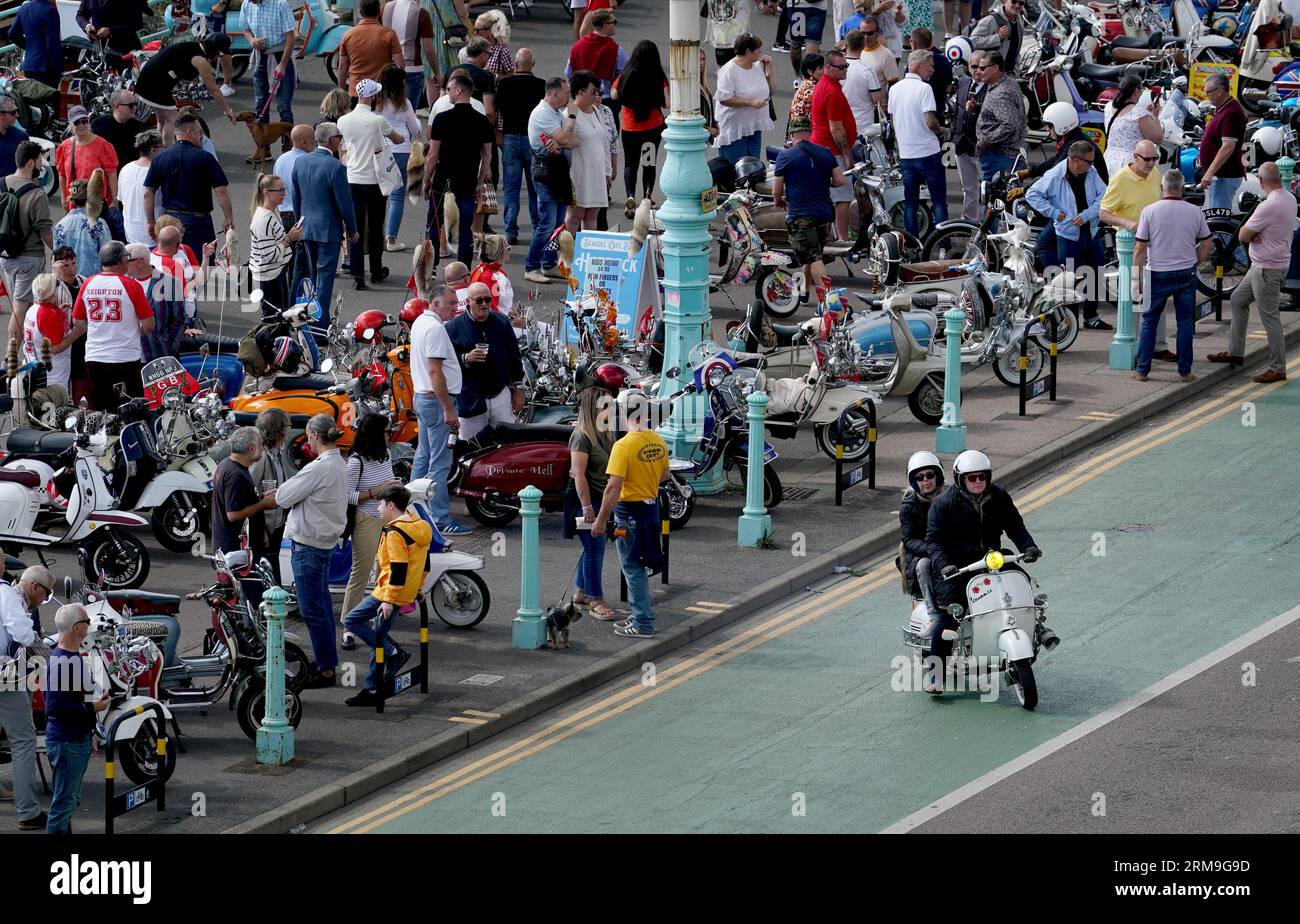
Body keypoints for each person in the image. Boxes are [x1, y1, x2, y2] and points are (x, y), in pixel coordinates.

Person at [924, 450, 1041, 688]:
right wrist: (946, 565)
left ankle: (1038, 627)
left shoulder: (998, 496)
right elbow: (933, 541)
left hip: (990, 559)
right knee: (950, 615)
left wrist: (1028, 547)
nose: (978, 481)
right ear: (960, 479)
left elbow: (1014, 525)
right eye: (971, 477)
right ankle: (936, 673)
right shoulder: (944, 503)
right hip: (956, 567)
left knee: (1019, 586)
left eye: (982, 477)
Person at [269, 413, 349, 688]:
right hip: (325, 543)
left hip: (309, 545)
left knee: (312, 609)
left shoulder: (318, 468)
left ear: (314, 435)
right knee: (322, 606)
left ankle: (326, 669)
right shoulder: (340, 463)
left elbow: (282, 496)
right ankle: (327, 662)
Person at [341, 485, 433, 707]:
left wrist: (388, 600)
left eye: (380, 505)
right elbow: (424, 563)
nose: (379, 509)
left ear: (391, 505)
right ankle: (372, 688)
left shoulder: (395, 532)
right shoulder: (420, 526)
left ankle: (394, 652)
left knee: (350, 620)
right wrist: (418, 588)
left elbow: (399, 567)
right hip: (406, 591)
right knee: (377, 637)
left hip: (389, 592)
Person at [592, 389, 670, 639]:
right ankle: (639, 615)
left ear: (622, 414)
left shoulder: (622, 446)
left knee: (632, 567)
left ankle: (644, 622)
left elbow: (613, 487)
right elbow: (665, 476)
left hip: (628, 514)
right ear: (647, 413)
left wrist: (601, 520)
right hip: (650, 510)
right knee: (643, 563)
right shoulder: (658, 440)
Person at [1209, 160, 1294, 383]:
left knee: (1270, 318)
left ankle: (1278, 367)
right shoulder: (1289, 198)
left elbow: (1242, 236)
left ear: (1263, 181)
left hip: (1266, 268)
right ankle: (1235, 352)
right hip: (1265, 265)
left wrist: (1253, 232)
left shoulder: (1268, 206)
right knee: (1237, 299)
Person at [1132, 169, 1213, 383]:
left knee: (1149, 321)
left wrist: (1134, 278)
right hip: (1186, 273)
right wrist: (1197, 261)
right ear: (1181, 190)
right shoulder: (1194, 212)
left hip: (1157, 273)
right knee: (1185, 323)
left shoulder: (1149, 211)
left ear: (1162, 188)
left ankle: (1142, 370)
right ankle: (1185, 371)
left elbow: (1140, 248)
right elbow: (1207, 243)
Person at [1100, 140, 1174, 361]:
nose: (1152, 163)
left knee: (1158, 294)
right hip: (1131, 246)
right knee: (1134, 296)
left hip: (1156, 244)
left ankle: (1158, 346)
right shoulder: (1121, 179)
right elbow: (1104, 212)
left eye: (1155, 159)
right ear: (1135, 157)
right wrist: (1128, 224)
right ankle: (1131, 345)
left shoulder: (1154, 174)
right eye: (1147, 159)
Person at [1025, 141, 1111, 329]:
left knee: (1096, 274)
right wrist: (1054, 212)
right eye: (1089, 161)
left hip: (1091, 232)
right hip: (1068, 236)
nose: (1092, 165)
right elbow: (1032, 194)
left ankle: (1091, 317)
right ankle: (1069, 322)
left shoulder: (1090, 172)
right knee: (1069, 280)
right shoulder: (1055, 175)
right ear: (1075, 161)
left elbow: (1105, 196)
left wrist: (1086, 215)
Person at [43, 603, 110, 834]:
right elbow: (55, 708)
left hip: (73, 738)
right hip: (66, 742)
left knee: (67, 802)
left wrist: (88, 731)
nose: (90, 626)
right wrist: (92, 707)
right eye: (87, 622)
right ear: (77, 627)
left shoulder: (69, 656)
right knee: (64, 804)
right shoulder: (63, 662)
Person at [340, 412, 403, 652]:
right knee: (361, 572)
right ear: (377, 434)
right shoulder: (356, 461)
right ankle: (349, 626)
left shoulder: (384, 455)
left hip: (387, 519)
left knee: (383, 571)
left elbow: (386, 482)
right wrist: (377, 491)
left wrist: (391, 486)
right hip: (366, 519)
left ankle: (376, 624)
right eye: (387, 431)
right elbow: (346, 495)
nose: (390, 435)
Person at [409, 283, 469, 534]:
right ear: (435, 304)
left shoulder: (421, 323)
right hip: (436, 402)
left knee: (423, 457)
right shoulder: (435, 329)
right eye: (451, 304)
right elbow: (435, 371)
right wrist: (448, 409)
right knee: (439, 463)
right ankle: (440, 519)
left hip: (423, 398)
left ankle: (410, 509)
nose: (457, 308)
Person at [70, 241, 155, 408]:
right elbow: (148, 324)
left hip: (96, 356)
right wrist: (137, 331)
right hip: (125, 356)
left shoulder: (88, 283)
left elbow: (77, 321)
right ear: (122, 260)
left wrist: (99, 328)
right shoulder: (132, 285)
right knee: (131, 407)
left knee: (103, 408)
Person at [0, 565, 52, 830]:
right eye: (46, 593)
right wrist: (42, 648)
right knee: (23, 741)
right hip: (3, 679)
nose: (44, 600)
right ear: (35, 587)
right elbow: (21, 634)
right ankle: (29, 812)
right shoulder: (7, 595)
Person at [338, 78, 404, 290]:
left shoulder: (344, 120)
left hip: (353, 178)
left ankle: (358, 274)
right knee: (376, 226)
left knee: (355, 228)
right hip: (375, 180)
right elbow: (396, 139)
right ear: (373, 96)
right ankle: (376, 270)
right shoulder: (377, 121)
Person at [774, 114, 845, 305]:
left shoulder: (785, 156)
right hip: (823, 213)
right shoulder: (825, 152)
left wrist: (778, 201)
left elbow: (777, 190)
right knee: (813, 253)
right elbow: (840, 180)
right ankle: (803, 291)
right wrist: (822, 182)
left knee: (813, 258)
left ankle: (830, 301)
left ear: (794, 134)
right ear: (809, 132)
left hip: (800, 214)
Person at [290, 122, 359, 317]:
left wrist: (299, 223)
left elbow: (297, 198)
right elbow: (345, 203)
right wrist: (352, 230)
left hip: (306, 228)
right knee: (325, 280)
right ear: (331, 140)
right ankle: (319, 323)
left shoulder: (301, 161)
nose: (340, 141)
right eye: (339, 137)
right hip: (327, 231)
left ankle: (313, 318)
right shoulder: (335, 166)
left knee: (313, 277)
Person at [565, 377, 620, 621]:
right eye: (607, 406)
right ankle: (595, 598)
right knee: (595, 548)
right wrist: (587, 507)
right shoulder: (581, 436)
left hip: (601, 496)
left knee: (591, 547)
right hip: (584, 498)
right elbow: (579, 475)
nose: (612, 410)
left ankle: (580, 592)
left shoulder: (607, 432)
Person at [425, 72, 493, 266]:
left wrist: (425, 179)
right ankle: (463, 270)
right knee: (465, 227)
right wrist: (480, 182)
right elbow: (487, 156)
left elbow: (433, 154)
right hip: (468, 181)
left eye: (449, 90)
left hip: (442, 180)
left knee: (435, 224)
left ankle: (433, 266)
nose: (447, 94)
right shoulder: (482, 121)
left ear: (459, 90)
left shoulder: (442, 119)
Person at [142, 112, 234, 255]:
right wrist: (229, 218)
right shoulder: (205, 157)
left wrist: (150, 221)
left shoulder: (160, 158)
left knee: (173, 265)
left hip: (169, 220)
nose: (201, 136)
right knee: (201, 264)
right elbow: (221, 190)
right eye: (199, 132)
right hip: (198, 221)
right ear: (190, 132)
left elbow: (148, 193)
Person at [446, 281, 525, 439]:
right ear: (468, 302)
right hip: (471, 399)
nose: (484, 304)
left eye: (487, 300)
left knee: (511, 444)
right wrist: (466, 358)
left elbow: (514, 357)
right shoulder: (453, 328)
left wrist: (518, 389)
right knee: (470, 448)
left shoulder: (502, 322)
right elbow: (446, 363)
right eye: (479, 300)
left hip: (500, 395)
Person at [134, 34, 237, 145]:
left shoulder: (192, 47)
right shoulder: (200, 60)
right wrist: (228, 110)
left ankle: (158, 148)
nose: (220, 56)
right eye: (220, 53)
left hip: (148, 79)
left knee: (162, 120)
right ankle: (166, 152)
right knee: (171, 121)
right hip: (156, 84)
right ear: (215, 50)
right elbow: (214, 90)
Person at [889, 50, 947, 240]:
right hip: (928, 152)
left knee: (910, 202)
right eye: (930, 65)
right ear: (919, 66)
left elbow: (892, 119)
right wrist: (942, 131)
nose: (932, 70)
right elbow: (930, 121)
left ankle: (912, 244)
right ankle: (943, 244)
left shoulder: (895, 88)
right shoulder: (924, 89)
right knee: (939, 202)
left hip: (907, 153)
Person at [524, 78, 577, 285]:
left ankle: (548, 264)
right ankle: (531, 266)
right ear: (554, 94)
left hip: (559, 171)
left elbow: (572, 141)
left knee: (557, 224)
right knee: (546, 223)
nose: (568, 97)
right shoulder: (543, 114)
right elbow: (566, 139)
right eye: (566, 93)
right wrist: (571, 117)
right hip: (546, 171)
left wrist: (564, 139)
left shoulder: (554, 114)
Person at [2, 140, 54, 343]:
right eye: (40, 160)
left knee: (18, 302)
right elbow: (45, 231)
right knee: (21, 309)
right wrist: (58, 251)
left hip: (6, 257)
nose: (41, 166)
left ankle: (22, 354)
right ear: (31, 163)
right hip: (29, 258)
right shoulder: (36, 193)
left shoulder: (1, 184)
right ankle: (10, 361)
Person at [612, 40, 667, 220]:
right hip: (651, 129)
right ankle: (646, 198)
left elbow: (614, 95)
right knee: (648, 163)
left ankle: (630, 196)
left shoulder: (626, 74)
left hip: (630, 128)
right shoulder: (658, 75)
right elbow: (667, 103)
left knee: (630, 163)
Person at [497, 49, 546, 246]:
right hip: (532, 140)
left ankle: (510, 230)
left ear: (515, 64)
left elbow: (498, 110)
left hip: (510, 138)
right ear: (532, 65)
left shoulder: (505, 84)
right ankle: (538, 226)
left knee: (511, 187)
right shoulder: (541, 85)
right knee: (535, 187)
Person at [212, 425, 279, 560]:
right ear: (251, 449)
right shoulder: (236, 474)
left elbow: (238, 501)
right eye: (261, 445)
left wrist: (259, 498)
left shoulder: (227, 464)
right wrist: (263, 505)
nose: (262, 449)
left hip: (237, 549)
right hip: (236, 552)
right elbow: (233, 514)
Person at [376, 65, 422, 254]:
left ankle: (374, 237)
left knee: (378, 197)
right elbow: (415, 129)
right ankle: (391, 238)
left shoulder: (375, 103)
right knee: (396, 197)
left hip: (379, 151)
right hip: (402, 151)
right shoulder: (404, 103)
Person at [715, 34, 775, 166]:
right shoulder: (729, 71)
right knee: (735, 170)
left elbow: (771, 91)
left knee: (753, 169)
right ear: (748, 51)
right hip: (734, 128)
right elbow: (724, 99)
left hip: (753, 126)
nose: (760, 52)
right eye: (757, 49)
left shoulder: (758, 66)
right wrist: (750, 102)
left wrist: (769, 71)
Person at [565, 70, 613, 232]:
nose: (597, 95)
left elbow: (605, 143)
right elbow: (565, 140)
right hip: (578, 174)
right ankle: (568, 256)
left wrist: (608, 170)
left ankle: (588, 255)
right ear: (580, 92)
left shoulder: (597, 112)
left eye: (599, 91)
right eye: (593, 91)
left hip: (597, 174)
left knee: (592, 218)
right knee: (574, 217)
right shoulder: (569, 114)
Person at [248, 407, 292, 580]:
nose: (288, 433)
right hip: (265, 526)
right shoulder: (261, 458)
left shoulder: (276, 454)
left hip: (276, 523)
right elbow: (250, 492)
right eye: (286, 429)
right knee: (267, 573)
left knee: (273, 571)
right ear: (277, 432)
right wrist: (261, 531)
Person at [240, 0, 298, 126]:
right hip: (260, 57)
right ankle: (263, 145)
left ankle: (288, 144)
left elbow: (291, 38)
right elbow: (246, 30)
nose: (250, 1)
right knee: (261, 104)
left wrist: (282, 64)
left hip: (280, 56)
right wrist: (252, 41)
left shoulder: (280, 4)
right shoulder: (246, 5)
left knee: (284, 106)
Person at [250, 173, 300, 312]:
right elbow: (269, 256)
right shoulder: (263, 220)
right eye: (280, 190)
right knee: (272, 321)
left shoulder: (274, 212)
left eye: (284, 189)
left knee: (280, 318)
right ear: (267, 193)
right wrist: (290, 238)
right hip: (269, 278)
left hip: (276, 273)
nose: (284, 193)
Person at [55, 106, 118, 214]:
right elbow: (62, 175)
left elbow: (112, 174)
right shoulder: (64, 147)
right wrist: (63, 198)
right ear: (70, 124)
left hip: (96, 205)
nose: (81, 125)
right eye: (77, 122)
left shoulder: (102, 145)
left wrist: (114, 201)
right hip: (74, 204)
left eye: (84, 121)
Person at [898, 450, 944, 601]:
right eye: (920, 477)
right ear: (914, 481)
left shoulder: (952, 496)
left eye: (930, 475)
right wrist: (931, 549)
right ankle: (932, 610)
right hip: (923, 552)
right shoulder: (909, 505)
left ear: (938, 475)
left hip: (951, 546)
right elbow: (909, 539)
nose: (926, 480)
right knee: (924, 566)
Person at [1197, 74, 1247, 211]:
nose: (1206, 96)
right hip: (1220, 176)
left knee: (1218, 215)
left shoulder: (1231, 113)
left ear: (1219, 91)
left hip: (1224, 176)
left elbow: (1228, 146)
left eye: (1208, 92)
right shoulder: (1224, 108)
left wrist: (1209, 173)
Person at [337, 0, 404, 99]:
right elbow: (400, 65)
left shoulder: (348, 35)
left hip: (356, 92)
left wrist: (341, 92)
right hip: (382, 92)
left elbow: (342, 68)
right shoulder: (389, 34)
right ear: (379, 11)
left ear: (360, 12)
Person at [974, 51, 1024, 181]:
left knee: (994, 197)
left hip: (998, 156)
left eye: (983, 68)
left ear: (995, 68)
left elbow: (1009, 125)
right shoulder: (1009, 83)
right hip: (1006, 154)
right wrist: (980, 107)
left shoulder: (1001, 93)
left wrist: (985, 141)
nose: (979, 71)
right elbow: (1004, 112)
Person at [1102, 74, 1163, 180]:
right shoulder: (1139, 113)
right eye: (1141, 89)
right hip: (1130, 162)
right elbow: (1158, 138)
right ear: (1136, 91)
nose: (1142, 93)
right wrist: (1155, 116)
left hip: (1109, 159)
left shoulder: (1108, 107)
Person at [21, 273, 76, 390]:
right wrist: (77, 333)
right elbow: (54, 348)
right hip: (52, 377)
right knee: (54, 407)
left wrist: (56, 314)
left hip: (36, 370)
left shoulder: (33, 309)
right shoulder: (48, 315)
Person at [566, 8, 627, 106]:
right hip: (605, 100)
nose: (616, 24)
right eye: (614, 22)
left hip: (581, 98)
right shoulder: (617, 50)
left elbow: (569, 73)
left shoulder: (577, 46)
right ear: (605, 26)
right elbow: (623, 75)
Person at [382, 0, 437, 110]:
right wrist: (437, 72)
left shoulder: (384, 8)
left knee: (389, 112)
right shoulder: (421, 13)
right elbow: (428, 48)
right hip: (413, 69)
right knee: (409, 112)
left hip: (388, 68)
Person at [91, 90, 147, 193]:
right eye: (130, 105)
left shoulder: (140, 128)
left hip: (130, 183)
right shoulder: (98, 125)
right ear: (116, 106)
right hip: (105, 183)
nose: (134, 108)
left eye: (135, 104)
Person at [52, 179, 110, 278]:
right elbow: (107, 256)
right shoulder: (98, 224)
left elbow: (56, 258)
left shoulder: (60, 225)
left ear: (73, 200)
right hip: (92, 281)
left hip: (68, 280)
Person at [953, 50, 986, 222]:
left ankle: (991, 224)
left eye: (982, 67)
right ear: (968, 66)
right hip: (961, 145)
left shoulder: (992, 87)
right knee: (968, 188)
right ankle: (968, 222)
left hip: (981, 147)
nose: (978, 71)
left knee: (987, 188)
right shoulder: (963, 83)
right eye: (974, 67)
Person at [117, 130, 162, 246]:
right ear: (153, 149)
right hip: (154, 234)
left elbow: (122, 199)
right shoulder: (158, 172)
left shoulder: (125, 169)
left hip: (131, 234)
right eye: (162, 147)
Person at [425, 0, 472, 106]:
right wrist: (469, 34)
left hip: (428, 37)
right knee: (454, 73)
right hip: (450, 36)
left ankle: (434, 114)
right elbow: (462, 14)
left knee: (431, 76)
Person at [8, 0, 63, 90]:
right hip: (46, 66)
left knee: (34, 101)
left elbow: (12, 34)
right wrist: (59, 69)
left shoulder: (23, 9)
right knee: (51, 99)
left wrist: (28, 47)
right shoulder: (50, 11)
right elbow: (52, 44)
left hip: (29, 64)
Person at [75, 0, 151, 56]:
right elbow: (81, 15)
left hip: (126, 50)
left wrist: (111, 31)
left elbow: (137, 22)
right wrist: (87, 26)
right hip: (99, 51)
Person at [843, 31, 884, 131]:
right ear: (863, 46)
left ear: (846, 45)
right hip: (863, 124)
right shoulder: (868, 70)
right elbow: (877, 99)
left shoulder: (836, 68)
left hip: (841, 122)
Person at [970, 0, 1025, 76]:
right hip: (991, 75)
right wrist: (997, 38)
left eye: (1021, 3)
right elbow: (972, 41)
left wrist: (1017, 69)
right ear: (1005, 1)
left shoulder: (1019, 21)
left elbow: (1015, 49)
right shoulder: (991, 19)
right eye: (1014, 1)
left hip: (1009, 74)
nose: (1017, 5)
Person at [708, 0, 764, 67]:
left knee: (724, 66)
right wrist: (762, 6)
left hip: (720, 31)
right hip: (736, 32)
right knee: (739, 66)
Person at [468, 234, 513, 312]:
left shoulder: (499, 272)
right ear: (501, 252)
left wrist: (517, 315)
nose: (510, 250)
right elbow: (491, 309)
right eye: (508, 248)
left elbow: (508, 304)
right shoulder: (488, 277)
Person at [857, 14, 900, 88]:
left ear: (877, 32)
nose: (866, 37)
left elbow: (893, 85)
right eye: (863, 33)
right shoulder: (855, 51)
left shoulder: (887, 55)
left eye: (870, 33)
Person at [912, 28, 950, 108]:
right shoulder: (944, 60)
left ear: (914, 44)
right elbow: (948, 87)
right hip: (939, 109)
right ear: (931, 42)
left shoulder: (913, 62)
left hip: (918, 110)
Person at [471, 11, 514, 79]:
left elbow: (510, 76)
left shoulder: (502, 51)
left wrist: (494, 76)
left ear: (489, 30)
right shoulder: (473, 47)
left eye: (477, 30)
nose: (474, 33)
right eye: (474, 29)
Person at [789, 53, 825, 132]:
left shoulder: (807, 84)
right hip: (804, 134)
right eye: (820, 68)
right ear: (810, 71)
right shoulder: (810, 91)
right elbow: (814, 119)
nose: (824, 70)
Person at [0, 96, 28, 181]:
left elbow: (30, 168)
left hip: (14, 191)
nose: (17, 115)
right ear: (1, 115)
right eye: (13, 112)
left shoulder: (22, 136)